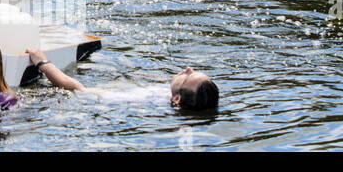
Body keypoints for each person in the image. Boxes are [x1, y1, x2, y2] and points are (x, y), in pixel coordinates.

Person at [25, 49, 220, 111]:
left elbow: (78, 89)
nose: (188, 68)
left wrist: (42, 62)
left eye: (188, 76)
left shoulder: (128, 100)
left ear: (176, 100)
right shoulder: (175, 94)